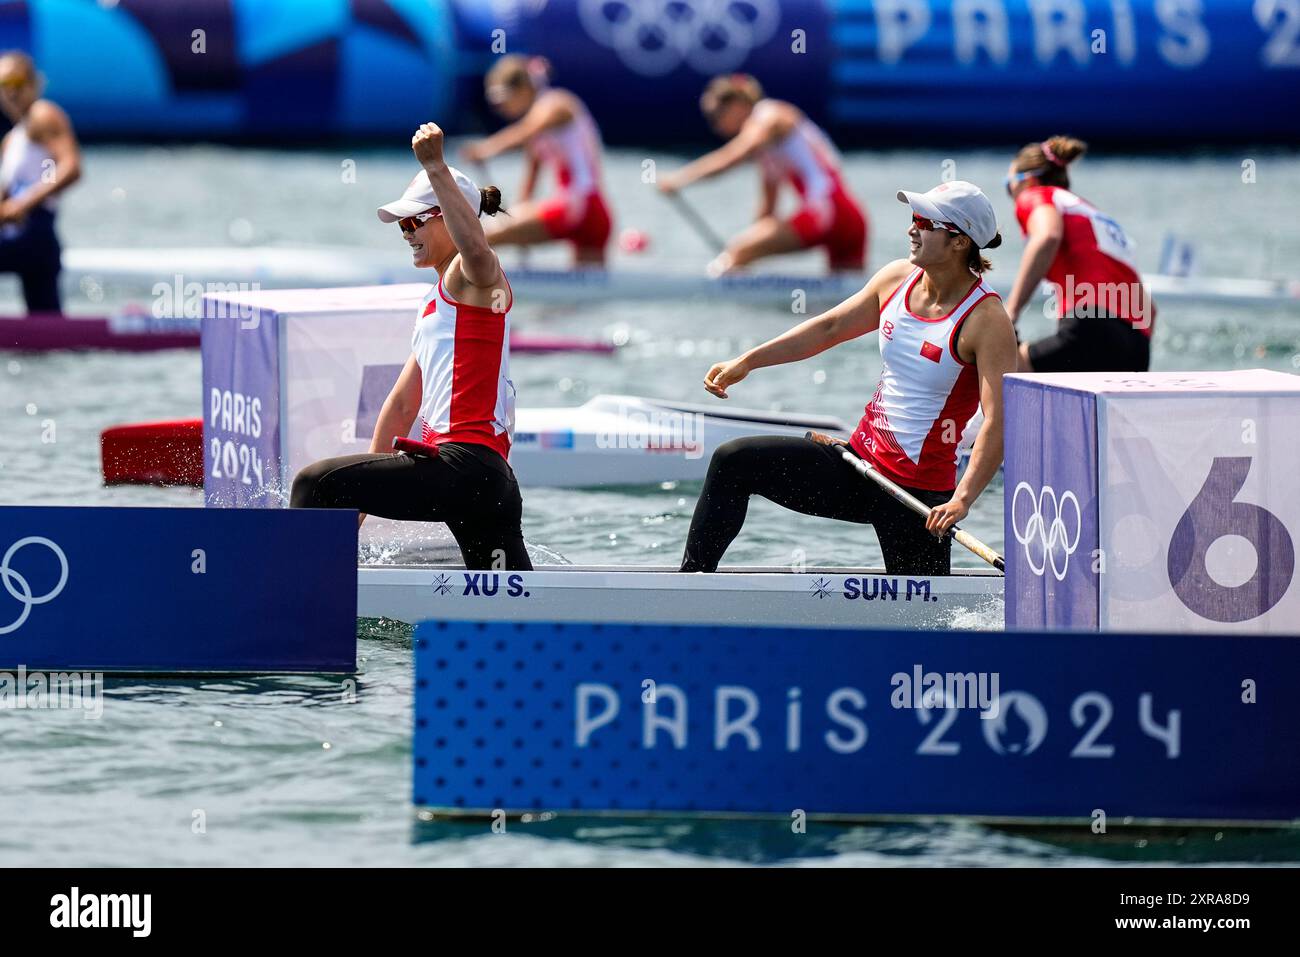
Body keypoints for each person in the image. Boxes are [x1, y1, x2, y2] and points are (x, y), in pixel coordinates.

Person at [679, 182, 1016, 576]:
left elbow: (999, 419)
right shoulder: (896, 278)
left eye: (925, 223)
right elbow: (829, 328)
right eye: (913, 219)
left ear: (959, 242)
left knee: (923, 624)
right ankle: (693, 583)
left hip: (916, 495)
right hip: (856, 465)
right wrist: (748, 361)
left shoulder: (986, 320)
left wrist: (963, 500)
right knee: (733, 461)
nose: (911, 229)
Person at [291, 122, 531, 571]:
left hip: (464, 467)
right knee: (514, 610)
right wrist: (357, 508)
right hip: (485, 486)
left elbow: (477, 251)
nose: (405, 232)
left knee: (312, 483)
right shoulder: (434, 306)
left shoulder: (472, 278)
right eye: (401, 224)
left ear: (448, 213)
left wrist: (436, 167)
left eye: (414, 220)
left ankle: (298, 607)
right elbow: (401, 405)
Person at [657, 74, 867, 276]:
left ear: (738, 104)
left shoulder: (771, 117)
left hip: (827, 211)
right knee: (849, 303)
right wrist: (754, 248)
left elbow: (731, 157)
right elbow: (767, 209)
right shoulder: (767, 152)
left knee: (738, 249)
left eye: (716, 116)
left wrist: (678, 179)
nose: (715, 126)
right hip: (849, 217)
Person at [1003, 135, 1154, 372]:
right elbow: (1150, 309)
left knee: (1007, 364)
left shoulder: (1038, 194)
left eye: (1008, 185)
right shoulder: (1092, 213)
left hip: (1089, 325)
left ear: (1027, 181)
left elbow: (1047, 236)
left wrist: (1010, 312)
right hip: (1138, 346)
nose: (1012, 196)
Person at [461, 55, 612, 266]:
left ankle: (450, 287)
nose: (501, 110)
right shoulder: (537, 131)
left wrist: (485, 149)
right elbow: (530, 182)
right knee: (582, 296)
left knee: (477, 236)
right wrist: (516, 224)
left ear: (523, 89)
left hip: (579, 207)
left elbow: (525, 132)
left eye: (502, 102)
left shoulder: (557, 105)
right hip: (588, 214)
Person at [0, 51, 81, 313]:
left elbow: (71, 168)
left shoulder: (42, 114)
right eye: (2, 85)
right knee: (47, 334)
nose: (9, 92)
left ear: (34, 84)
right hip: (24, 237)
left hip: (36, 232)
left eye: (16, 83)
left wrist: (21, 205)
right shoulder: (12, 139)